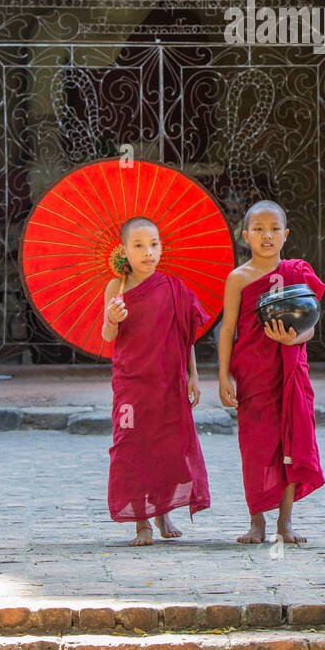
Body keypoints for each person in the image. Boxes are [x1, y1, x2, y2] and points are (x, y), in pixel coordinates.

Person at [218, 199, 325, 544]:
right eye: (259, 229)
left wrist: (295, 340)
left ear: (285, 235)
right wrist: (223, 376)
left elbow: (311, 322)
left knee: (293, 440)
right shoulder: (237, 278)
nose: (267, 236)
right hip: (254, 372)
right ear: (245, 235)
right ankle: (256, 521)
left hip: (291, 369)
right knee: (257, 446)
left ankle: (285, 522)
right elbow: (228, 328)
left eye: (275, 229)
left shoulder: (297, 271)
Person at [103, 216, 210, 545]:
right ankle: (142, 523)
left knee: (167, 448)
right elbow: (108, 336)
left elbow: (186, 336)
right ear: (124, 250)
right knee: (132, 448)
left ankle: (163, 513)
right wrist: (112, 317)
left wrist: (193, 375)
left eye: (154, 244)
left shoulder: (173, 287)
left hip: (168, 380)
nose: (148, 252)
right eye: (139, 246)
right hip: (132, 383)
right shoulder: (115, 288)